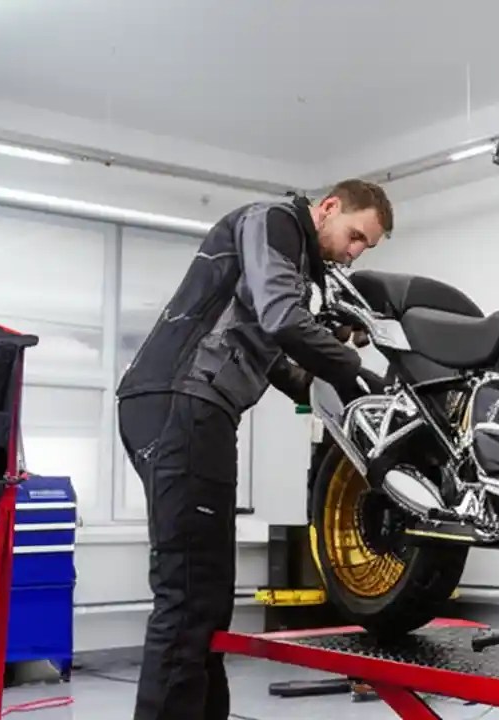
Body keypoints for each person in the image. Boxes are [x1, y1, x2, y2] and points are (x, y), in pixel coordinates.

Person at [115, 179, 394, 720]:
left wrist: (357, 395)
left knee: (210, 595)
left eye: (367, 248)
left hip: (195, 409)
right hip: (183, 402)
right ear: (329, 208)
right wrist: (358, 369)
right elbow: (283, 319)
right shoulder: (276, 222)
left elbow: (280, 365)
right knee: (188, 594)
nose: (355, 252)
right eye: (356, 235)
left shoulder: (285, 264)